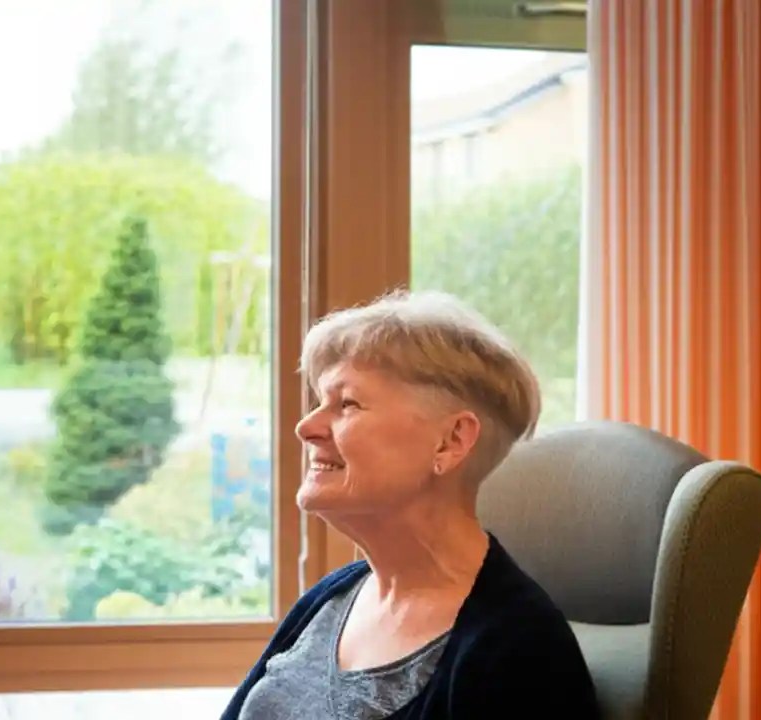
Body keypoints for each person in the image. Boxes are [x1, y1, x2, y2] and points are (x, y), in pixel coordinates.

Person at [222, 290, 598, 719]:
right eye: (319, 402)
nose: (307, 426)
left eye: (347, 403)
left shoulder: (520, 650)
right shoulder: (328, 600)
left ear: (451, 441)